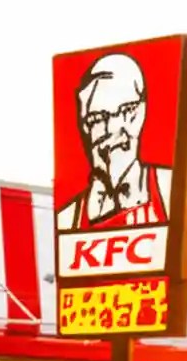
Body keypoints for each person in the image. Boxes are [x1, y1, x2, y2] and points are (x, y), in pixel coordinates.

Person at [57, 53, 172, 231]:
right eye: (92, 121)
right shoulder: (68, 219)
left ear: (135, 115)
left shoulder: (169, 190)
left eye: (101, 117)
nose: (99, 133)